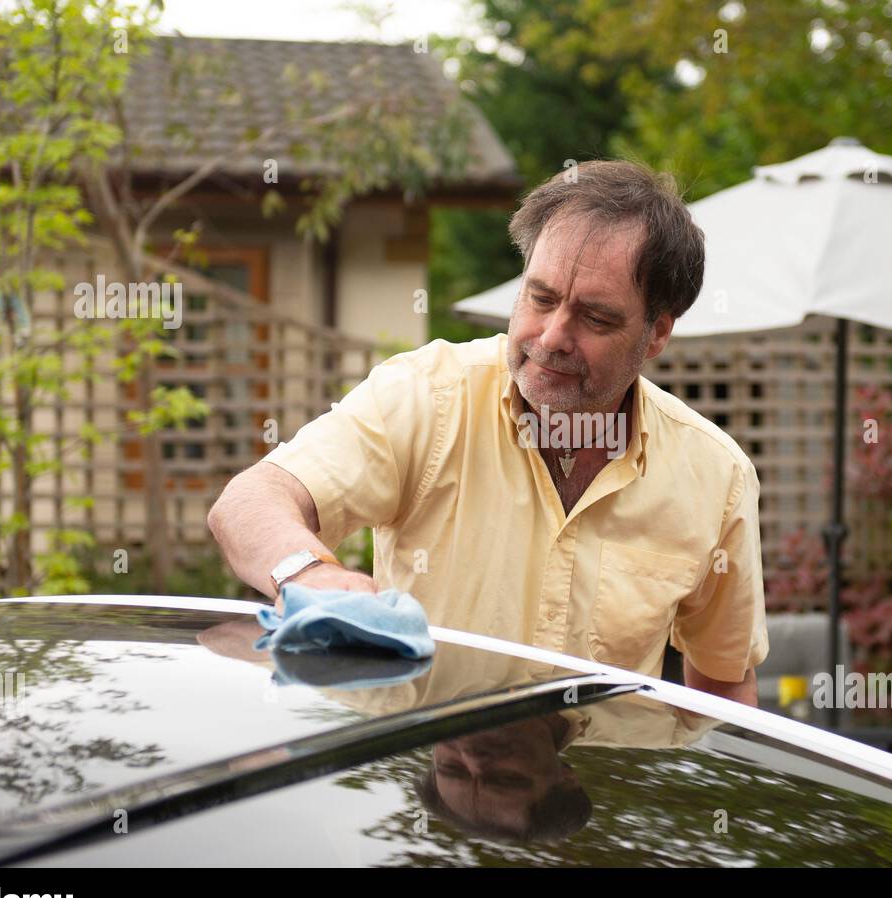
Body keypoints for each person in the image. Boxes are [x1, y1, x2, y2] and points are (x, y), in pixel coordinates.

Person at [207, 159, 768, 705]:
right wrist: (310, 575)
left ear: (656, 333)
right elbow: (249, 501)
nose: (550, 337)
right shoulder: (428, 397)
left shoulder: (715, 477)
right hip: (422, 786)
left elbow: (722, 687)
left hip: (602, 797)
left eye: (595, 318)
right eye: (540, 298)